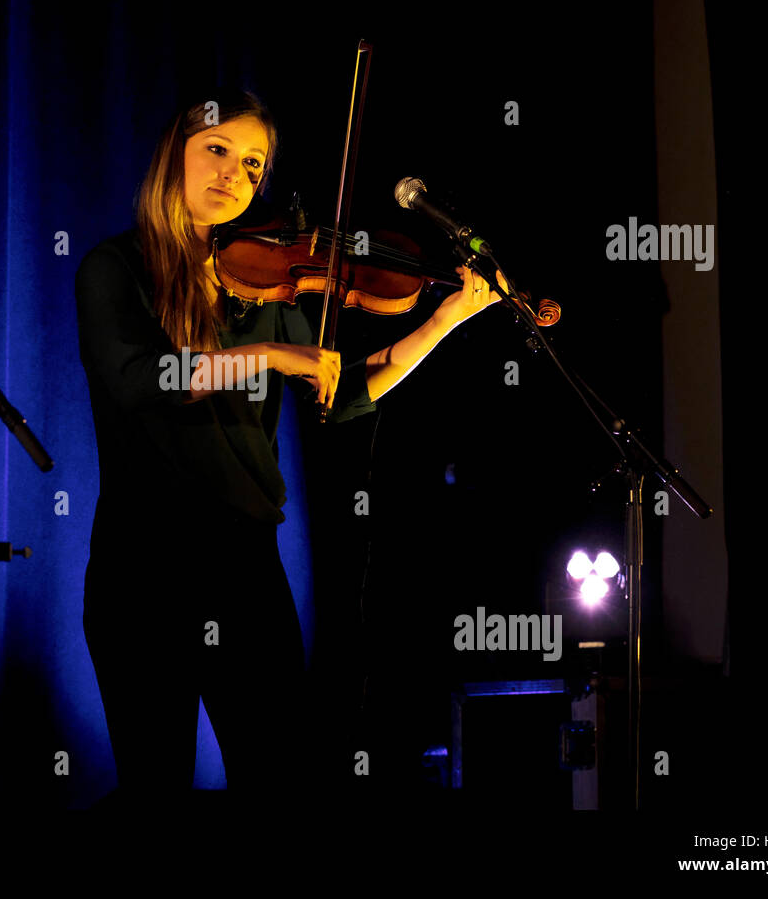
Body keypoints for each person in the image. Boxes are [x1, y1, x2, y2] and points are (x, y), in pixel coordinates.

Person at [74, 88, 503, 808]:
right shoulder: (113, 269)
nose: (233, 176)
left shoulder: (266, 282)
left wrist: (449, 317)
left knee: (278, 782)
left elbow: (346, 392)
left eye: (252, 165)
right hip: (142, 568)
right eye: (217, 151)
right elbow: (138, 380)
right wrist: (269, 355)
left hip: (245, 565)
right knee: (155, 786)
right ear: (172, 153)